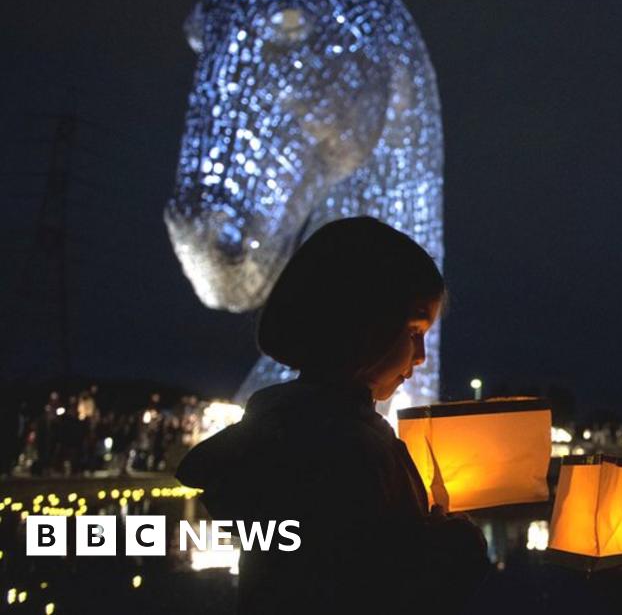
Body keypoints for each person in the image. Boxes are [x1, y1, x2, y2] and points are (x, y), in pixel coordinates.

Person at [177, 217, 487, 615]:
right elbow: (373, 588)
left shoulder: (277, 431)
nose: (421, 356)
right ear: (363, 325)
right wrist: (459, 550)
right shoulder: (348, 452)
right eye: (414, 331)